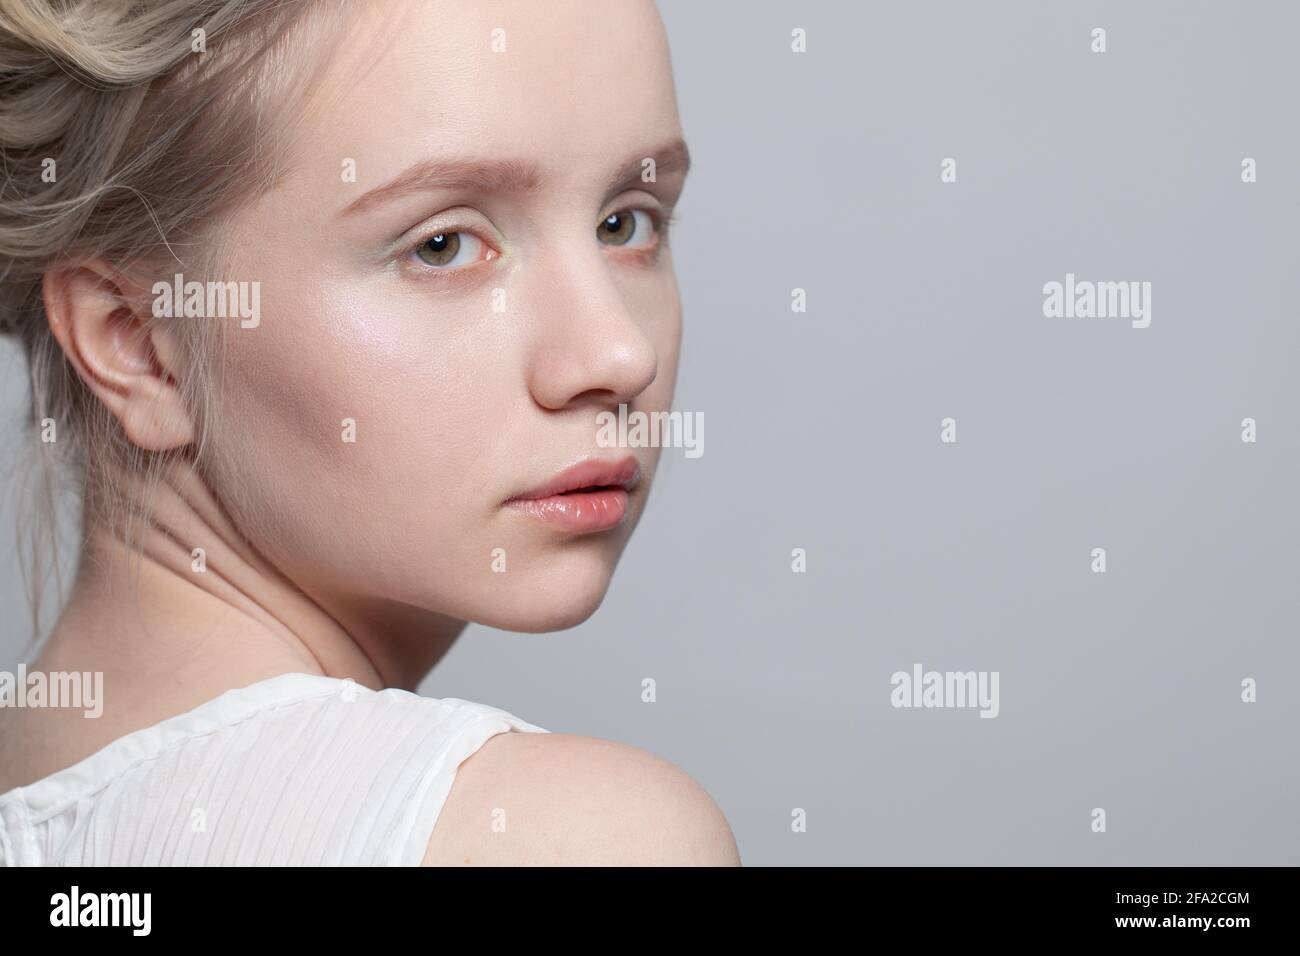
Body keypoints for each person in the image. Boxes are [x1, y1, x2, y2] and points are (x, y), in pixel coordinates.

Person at [0, 0, 740, 866]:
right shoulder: (573, 839)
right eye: (442, 246)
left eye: (627, 222)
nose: (618, 353)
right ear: (136, 341)